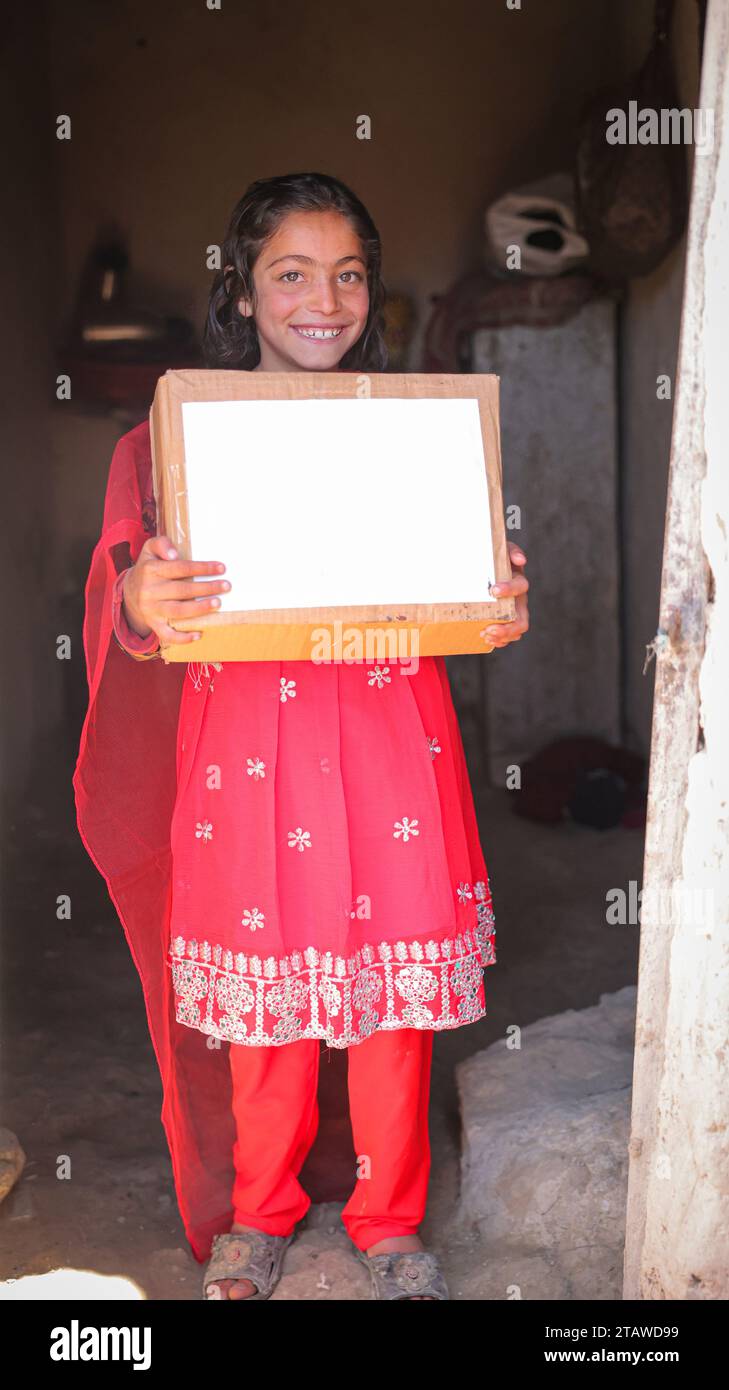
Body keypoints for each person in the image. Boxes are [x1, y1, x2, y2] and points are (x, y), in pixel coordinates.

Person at [74, 172, 529, 1301]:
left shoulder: (414, 432)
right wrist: (140, 600)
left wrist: (496, 595)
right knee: (264, 991)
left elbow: (472, 593)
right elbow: (127, 594)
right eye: (290, 272)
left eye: (348, 273)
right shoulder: (173, 440)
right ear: (244, 288)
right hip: (247, 747)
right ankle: (259, 1213)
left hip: (388, 732)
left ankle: (389, 1220)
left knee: (394, 994)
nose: (323, 300)